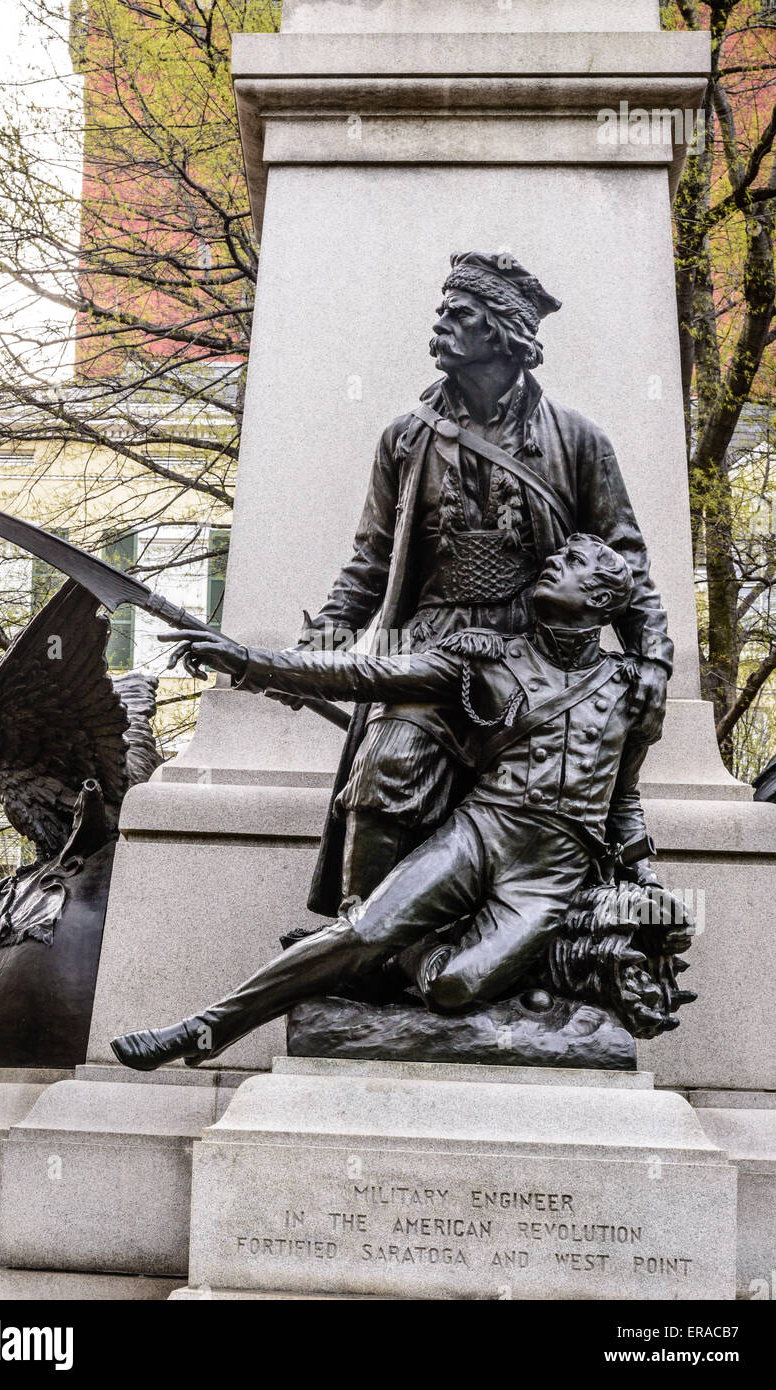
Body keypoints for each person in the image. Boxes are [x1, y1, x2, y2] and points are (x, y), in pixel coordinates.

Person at [112, 535, 663, 1072]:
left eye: (572, 561)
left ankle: (403, 949)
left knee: (452, 987)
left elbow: (624, 793)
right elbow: (364, 674)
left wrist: (643, 873)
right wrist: (248, 662)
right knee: (362, 931)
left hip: (552, 868)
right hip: (481, 830)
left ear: (601, 599)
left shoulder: (633, 687)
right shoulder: (491, 659)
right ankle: (207, 1028)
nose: (552, 561)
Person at [290, 251, 673, 916]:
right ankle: (357, 955)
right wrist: (322, 638)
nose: (438, 324)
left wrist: (652, 661)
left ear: (500, 330)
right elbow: (370, 560)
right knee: (384, 771)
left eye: (457, 313)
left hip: (537, 657)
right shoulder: (404, 439)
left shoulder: (578, 439)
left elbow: (622, 558)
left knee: (544, 800)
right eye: (441, 311)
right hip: (433, 651)